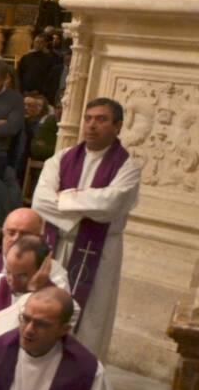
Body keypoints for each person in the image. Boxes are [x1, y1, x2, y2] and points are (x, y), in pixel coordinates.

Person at [31, 97, 139, 358]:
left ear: (118, 126)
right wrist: (85, 203)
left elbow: (110, 205)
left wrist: (64, 198)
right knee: (47, 305)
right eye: (88, 119)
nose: (91, 125)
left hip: (98, 253)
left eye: (101, 120)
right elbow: (40, 201)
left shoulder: (127, 167)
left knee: (91, 316)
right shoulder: (62, 158)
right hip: (57, 246)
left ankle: (80, 370)